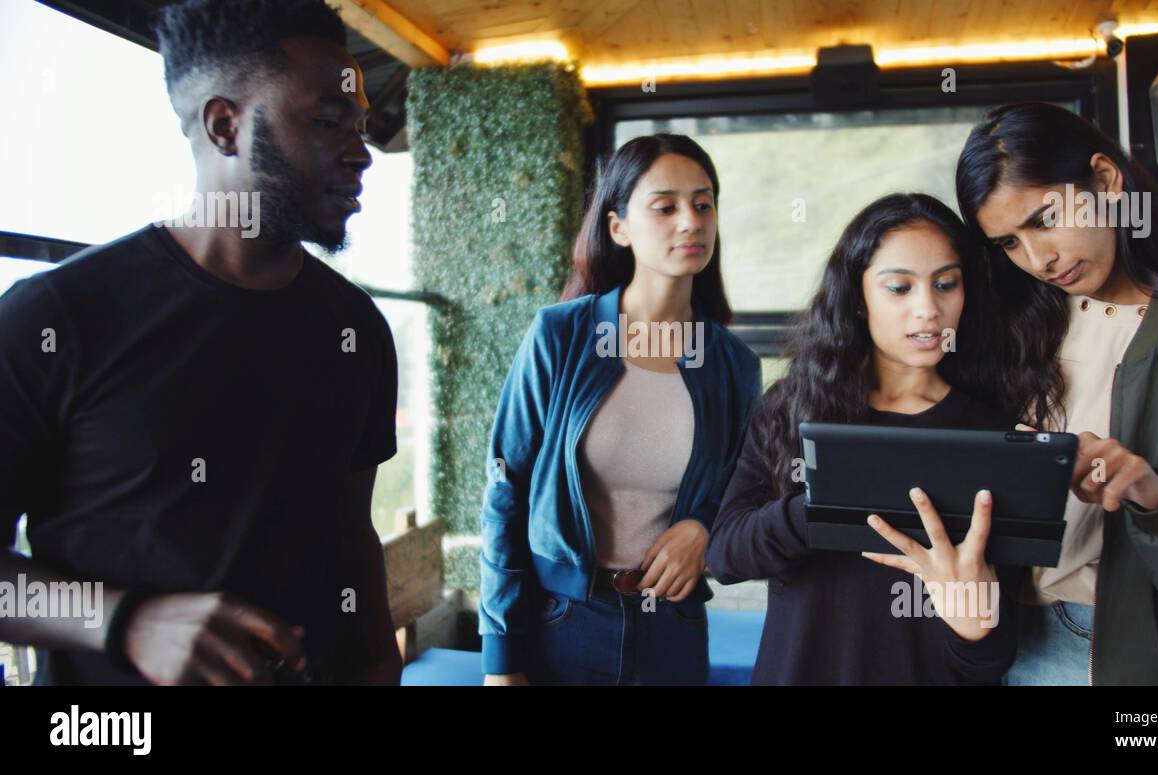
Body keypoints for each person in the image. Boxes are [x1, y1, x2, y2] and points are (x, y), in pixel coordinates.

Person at [0, 0, 401, 685]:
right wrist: (124, 620)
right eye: (329, 122)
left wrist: (377, 656)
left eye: (359, 125)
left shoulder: (356, 328)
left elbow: (349, 526)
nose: (359, 152)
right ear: (224, 126)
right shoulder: (57, 317)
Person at [955, 101, 1158, 684]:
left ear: (1104, 180)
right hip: (984, 641)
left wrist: (1157, 498)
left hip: (1119, 648)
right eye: (1008, 244)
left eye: (1046, 218)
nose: (1038, 259)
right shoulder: (995, 328)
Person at [479, 134, 761, 685]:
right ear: (619, 227)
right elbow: (505, 491)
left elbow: (748, 490)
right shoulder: (559, 336)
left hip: (673, 628)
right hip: (562, 622)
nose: (691, 221)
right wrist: (501, 660)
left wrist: (704, 527)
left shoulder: (734, 366)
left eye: (704, 204)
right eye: (666, 206)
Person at [707, 193, 1019, 685]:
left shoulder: (992, 434)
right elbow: (725, 554)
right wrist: (827, 507)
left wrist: (974, 621)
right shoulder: (793, 405)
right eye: (899, 287)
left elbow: (990, 656)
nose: (928, 309)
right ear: (857, 297)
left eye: (946, 284)